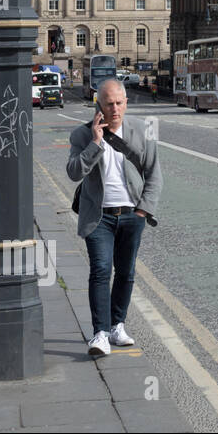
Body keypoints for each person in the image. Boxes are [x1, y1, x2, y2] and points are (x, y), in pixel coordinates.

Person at [66, 79, 162, 357]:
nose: (115, 108)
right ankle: (100, 333)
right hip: (99, 217)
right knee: (100, 271)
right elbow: (74, 172)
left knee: (126, 272)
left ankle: (117, 325)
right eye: (109, 103)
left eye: (119, 103)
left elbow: (154, 174)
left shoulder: (141, 132)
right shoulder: (82, 135)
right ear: (99, 105)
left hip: (132, 214)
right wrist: (96, 143)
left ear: (126, 103)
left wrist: (143, 210)